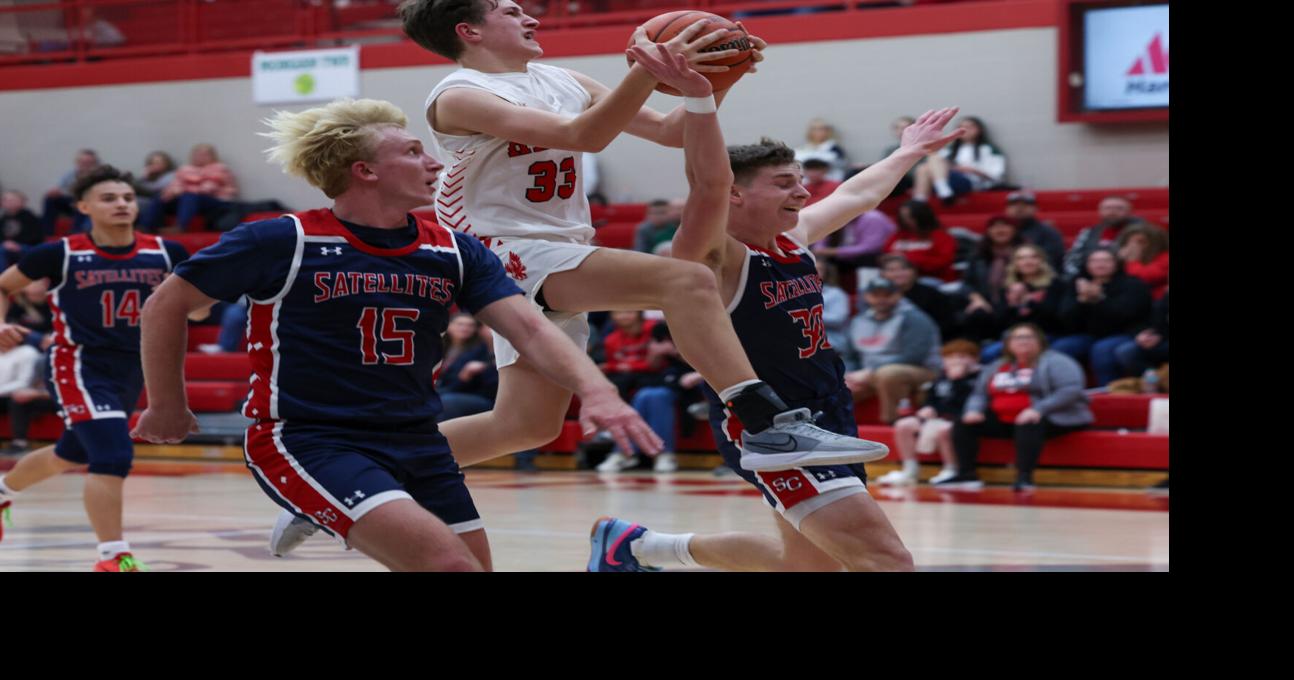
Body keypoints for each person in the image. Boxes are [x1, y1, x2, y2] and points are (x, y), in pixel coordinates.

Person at [131, 97, 662, 572]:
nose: (434, 162)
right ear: (364, 171)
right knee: (446, 565)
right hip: (310, 439)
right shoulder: (283, 239)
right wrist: (166, 404)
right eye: (413, 152)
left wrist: (598, 391)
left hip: (419, 440)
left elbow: (528, 327)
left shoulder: (454, 249)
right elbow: (166, 305)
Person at [404, 0, 884, 476]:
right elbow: (584, 135)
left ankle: (359, 468)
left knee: (524, 425)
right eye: (509, 12)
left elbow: (671, 131)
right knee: (684, 280)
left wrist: (717, 77)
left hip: (558, 248)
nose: (530, 17)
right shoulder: (458, 96)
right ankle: (764, 422)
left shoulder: (563, 80)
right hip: (498, 249)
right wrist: (649, 69)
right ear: (469, 31)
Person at [589, 104, 964, 572]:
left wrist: (909, 152)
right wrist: (702, 103)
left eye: (800, 180)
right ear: (735, 194)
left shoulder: (794, 238)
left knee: (809, 566)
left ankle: (636, 547)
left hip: (827, 412)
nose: (803, 193)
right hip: (769, 424)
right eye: (784, 183)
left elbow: (858, 192)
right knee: (886, 559)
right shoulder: (712, 256)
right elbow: (706, 187)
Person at [0, 165, 192, 570]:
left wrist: (184, 301)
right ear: (84, 206)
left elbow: (200, 310)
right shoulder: (60, 252)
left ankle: (1, 492)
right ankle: (111, 556)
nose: (121, 204)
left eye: (127, 197)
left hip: (133, 367)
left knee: (70, 453)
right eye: (109, 198)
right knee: (113, 452)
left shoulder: (166, 252)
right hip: (79, 363)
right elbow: (4, 285)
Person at [934, 322, 1092, 491]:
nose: (1022, 341)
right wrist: (974, 410)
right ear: (1008, 344)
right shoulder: (997, 366)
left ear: (1040, 341)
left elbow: (1071, 390)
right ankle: (966, 474)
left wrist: (1038, 409)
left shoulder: (1057, 362)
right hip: (1006, 419)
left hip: (1053, 417)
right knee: (964, 423)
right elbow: (979, 394)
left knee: (1028, 423)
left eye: (1028, 337)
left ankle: (1024, 478)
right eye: (1017, 338)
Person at [875, 339, 980, 486]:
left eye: (962, 356)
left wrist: (958, 380)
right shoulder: (942, 377)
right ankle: (910, 469)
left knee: (945, 429)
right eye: (950, 357)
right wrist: (928, 408)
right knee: (904, 424)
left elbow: (968, 402)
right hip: (936, 418)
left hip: (957, 419)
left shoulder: (977, 378)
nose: (956, 361)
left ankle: (951, 469)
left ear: (975, 359)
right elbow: (932, 398)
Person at [844, 278, 943, 424]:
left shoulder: (914, 318)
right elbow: (851, 356)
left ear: (898, 295)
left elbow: (915, 355)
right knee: (837, 383)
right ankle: (834, 427)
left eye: (887, 295)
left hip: (921, 370)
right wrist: (849, 374)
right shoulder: (858, 321)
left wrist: (871, 371)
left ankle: (894, 422)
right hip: (871, 373)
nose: (881, 299)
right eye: (876, 295)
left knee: (889, 374)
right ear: (866, 296)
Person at [1052, 247, 1152, 386]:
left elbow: (1126, 314)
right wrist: (1081, 301)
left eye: (1106, 260)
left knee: (1102, 349)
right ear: (1087, 265)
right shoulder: (1076, 284)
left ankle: (1108, 391)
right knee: (1062, 346)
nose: (1100, 265)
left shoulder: (1133, 284)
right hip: (1088, 334)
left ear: (1116, 264)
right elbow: (1065, 318)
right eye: (1094, 261)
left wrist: (1099, 299)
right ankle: (1065, 389)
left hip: (1125, 333)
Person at [979, 243, 1066, 362]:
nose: (1028, 261)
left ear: (1041, 261)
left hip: (1045, 334)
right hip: (1013, 336)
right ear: (1015, 264)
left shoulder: (1055, 285)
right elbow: (998, 323)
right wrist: (1012, 304)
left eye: (1033, 257)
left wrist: (1029, 301)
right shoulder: (1007, 287)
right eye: (1021, 258)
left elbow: (1056, 319)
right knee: (987, 353)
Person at [139, 143, 240, 232]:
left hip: (216, 202)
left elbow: (208, 189)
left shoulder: (219, 168)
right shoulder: (185, 168)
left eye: (204, 154)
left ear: (212, 156)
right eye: (197, 154)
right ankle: (146, 227)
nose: (200, 157)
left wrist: (181, 190)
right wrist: (171, 192)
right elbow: (175, 184)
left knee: (190, 196)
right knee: (161, 197)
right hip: (189, 200)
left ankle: (181, 227)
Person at [911, 115, 1006, 204]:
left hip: (971, 182)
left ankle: (928, 196)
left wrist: (971, 170)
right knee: (924, 167)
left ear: (979, 129)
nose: (965, 130)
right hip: (948, 179)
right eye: (961, 127)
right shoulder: (949, 150)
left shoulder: (988, 149)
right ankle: (924, 199)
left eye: (969, 127)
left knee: (931, 161)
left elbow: (996, 176)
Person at [958, 215, 1024, 342]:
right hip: (987, 303)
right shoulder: (978, 255)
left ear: (1014, 230)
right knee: (976, 313)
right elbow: (966, 284)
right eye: (994, 227)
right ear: (988, 232)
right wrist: (978, 300)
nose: (1000, 230)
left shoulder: (1025, 254)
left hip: (1015, 304)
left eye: (1005, 226)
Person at [1063, 195, 1147, 280]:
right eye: (1107, 208)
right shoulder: (1088, 232)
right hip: (1089, 279)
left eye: (1119, 208)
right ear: (1100, 211)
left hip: (1127, 280)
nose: (1112, 212)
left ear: (1129, 212)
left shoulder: (1143, 233)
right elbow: (1073, 259)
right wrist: (1077, 279)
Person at [876, 253, 956, 340]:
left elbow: (947, 324)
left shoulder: (932, 294)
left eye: (904, 268)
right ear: (882, 274)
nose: (898, 274)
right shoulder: (874, 296)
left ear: (914, 271)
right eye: (891, 270)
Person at [883, 199, 957, 282]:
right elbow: (886, 255)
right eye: (903, 217)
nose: (906, 221)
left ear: (922, 217)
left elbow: (942, 262)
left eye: (910, 217)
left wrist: (909, 257)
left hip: (931, 278)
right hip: (896, 278)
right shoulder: (898, 236)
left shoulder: (941, 237)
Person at [40, 149, 99, 235]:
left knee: (82, 203)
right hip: (72, 202)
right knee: (50, 199)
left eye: (89, 162)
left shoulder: (99, 176)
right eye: (82, 162)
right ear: (77, 162)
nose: (85, 165)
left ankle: (76, 232)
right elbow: (59, 188)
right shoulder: (71, 174)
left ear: (94, 164)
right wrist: (55, 192)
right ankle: (47, 233)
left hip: (89, 204)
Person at [1003, 190, 1065, 272]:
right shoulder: (998, 232)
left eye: (1025, 205)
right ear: (1007, 209)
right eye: (1014, 205)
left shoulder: (1048, 232)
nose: (1019, 208)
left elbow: (1051, 261)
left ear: (1036, 208)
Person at [1116, 223, 1169, 300]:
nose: (1133, 246)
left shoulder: (1165, 257)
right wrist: (1118, 261)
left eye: (1140, 242)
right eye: (1129, 242)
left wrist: (1132, 261)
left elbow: (1146, 278)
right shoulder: (1118, 255)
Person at [2, 191, 44, 267]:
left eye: (11, 200)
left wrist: (16, 245)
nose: (7, 202)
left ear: (21, 202)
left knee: (2, 251)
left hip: (27, 247)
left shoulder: (29, 217)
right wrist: (5, 243)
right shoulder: (4, 218)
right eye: (5, 200)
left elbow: (37, 237)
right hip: (7, 247)